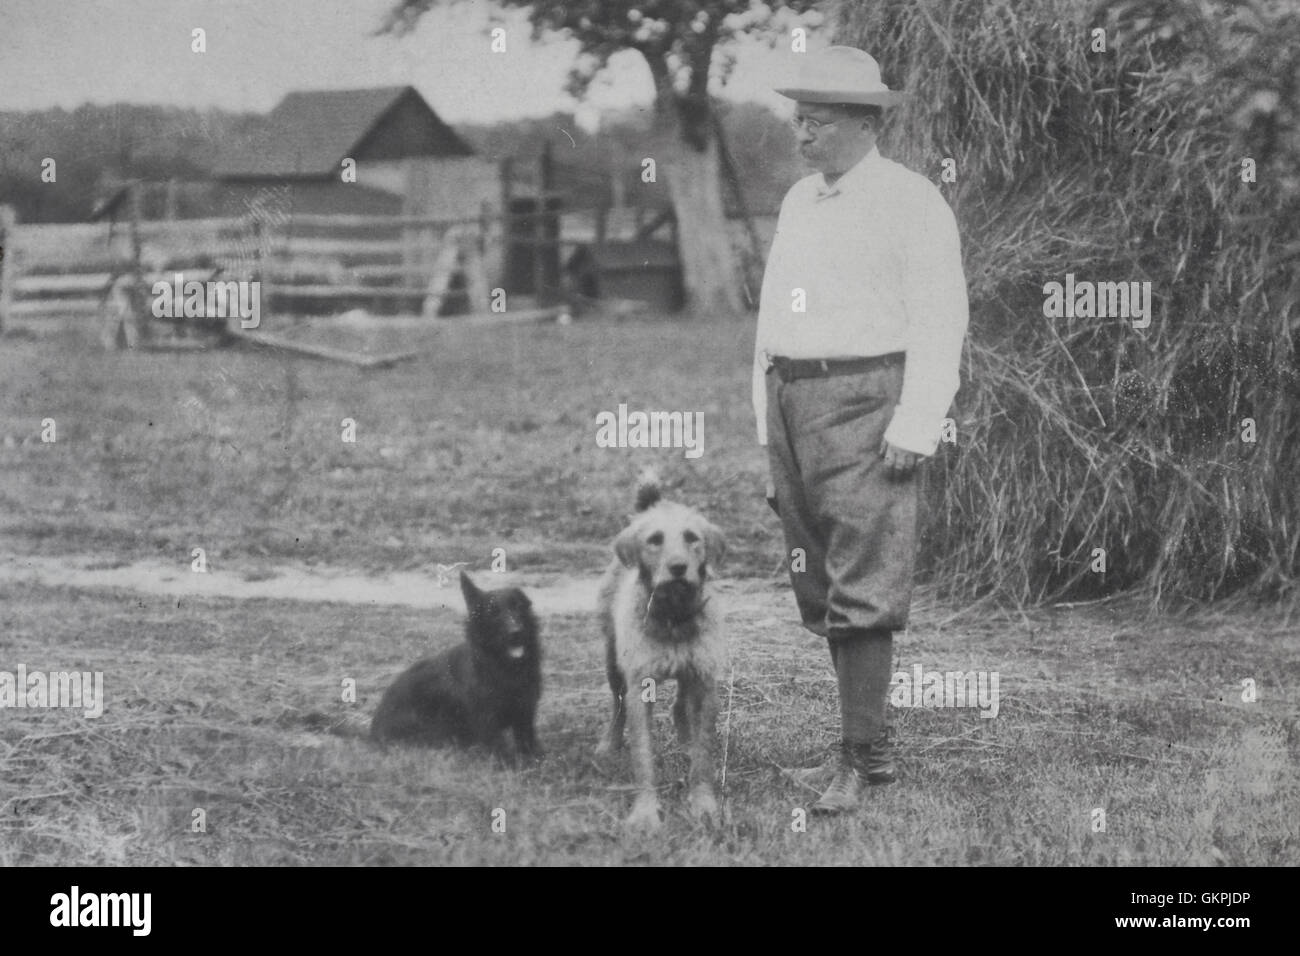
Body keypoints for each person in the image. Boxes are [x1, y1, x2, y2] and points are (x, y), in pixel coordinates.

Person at [754, 46, 969, 814]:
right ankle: (856, 748)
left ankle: (864, 756)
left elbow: (942, 319)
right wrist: (766, 428)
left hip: (867, 399)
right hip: (794, 401)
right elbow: (771, 326)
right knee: (818, 579)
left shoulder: (911, 201)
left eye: (814, 121)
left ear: (862, 121)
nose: (801, 135)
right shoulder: (798, 202)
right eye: (798, 119)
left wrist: (917, 421)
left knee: (864, 579)